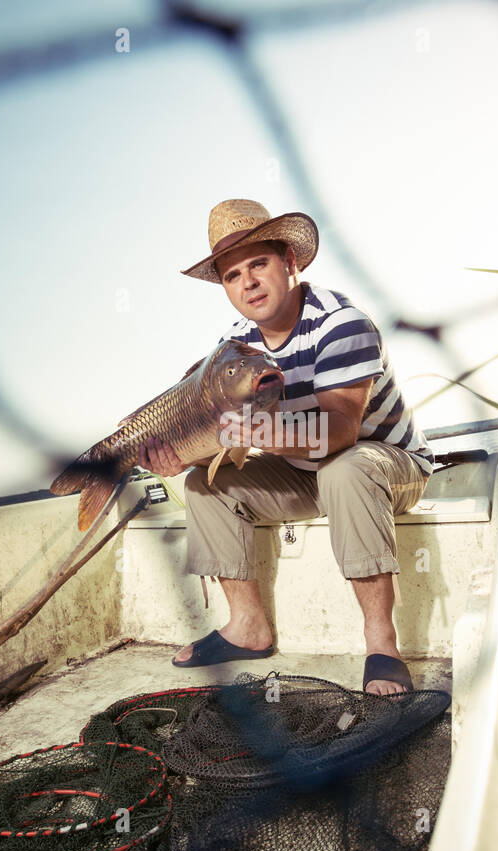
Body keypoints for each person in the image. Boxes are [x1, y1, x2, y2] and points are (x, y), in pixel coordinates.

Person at [140, 199, 434, 695]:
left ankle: (382, 641)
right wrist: (179, 455)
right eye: (233, 275)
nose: (248, 282)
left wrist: (269, 436)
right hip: (304, 472)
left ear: (290, 263)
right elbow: (218, 433)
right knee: (206, 484)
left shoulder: (341, 324)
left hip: (386, 465)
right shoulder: (233, 346)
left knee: (346, 468)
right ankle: (247, 628)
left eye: (259, 265)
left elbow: (341, 431)